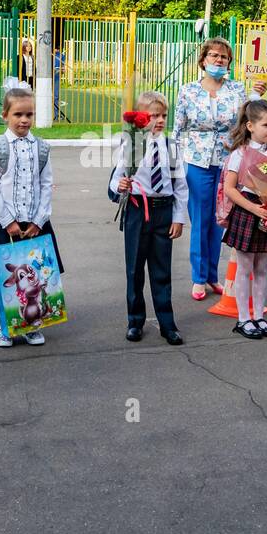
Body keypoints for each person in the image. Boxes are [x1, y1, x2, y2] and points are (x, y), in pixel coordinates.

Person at [173, 39, 266, 301]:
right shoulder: (188, 91)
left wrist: (258, 94)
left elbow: (250, 119)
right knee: (201, 219)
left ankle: (213, 276)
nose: (218, 60)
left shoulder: (237, 89)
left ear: (229, 63)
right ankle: (198, 278)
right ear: (203, 60)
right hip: (197, 162)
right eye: (213, 56)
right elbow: (178, 128)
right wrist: (175, 162)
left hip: (227, 163)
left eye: (224, 57)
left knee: (220, 219)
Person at [0, 86, 61, 347]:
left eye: (29, 114)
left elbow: (46, 184)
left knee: (38, 275)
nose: (24, 120)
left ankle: (33, 325)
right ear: (5, 115)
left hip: (36, 224)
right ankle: (5, 326)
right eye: (18, 114)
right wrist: (8, 221)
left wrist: (39, 219)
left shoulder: (42, 148)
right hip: (5, 224)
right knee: (6, 277)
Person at [110, 91, 188, 345]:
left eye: (164, 115)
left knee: (161, 270)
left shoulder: (172, 147)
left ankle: (167, 323)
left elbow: (181, 186)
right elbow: (115, 178)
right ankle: (135, 321)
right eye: (154, 115)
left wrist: (179, 218)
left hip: (163, 211)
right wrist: (119, 184)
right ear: (141, 118)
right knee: (134, 269)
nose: (160, 120)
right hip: (136, 210)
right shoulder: (130, 145)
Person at [221, 99, 267, 340]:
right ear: (250, 126)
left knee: (262, 268)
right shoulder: (240, 153)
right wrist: (254, 209)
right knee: (245, 268)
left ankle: (259, 316)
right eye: (266, 125)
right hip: (248, 213)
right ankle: (243, 319)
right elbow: (230, 188)